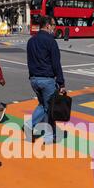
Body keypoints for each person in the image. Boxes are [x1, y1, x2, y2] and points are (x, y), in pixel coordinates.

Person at [24, 15, 66, 144]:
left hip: (34, 79)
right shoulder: (51, 41)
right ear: (48, 25)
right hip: (47, 80)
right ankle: (49, 137)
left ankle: (29, 125)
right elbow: (56, 64)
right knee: (50, 108)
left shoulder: (31, 41)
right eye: (53, 25)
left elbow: (29, 61)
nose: (54, 28)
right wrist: (61, 83)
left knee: (43, 105)